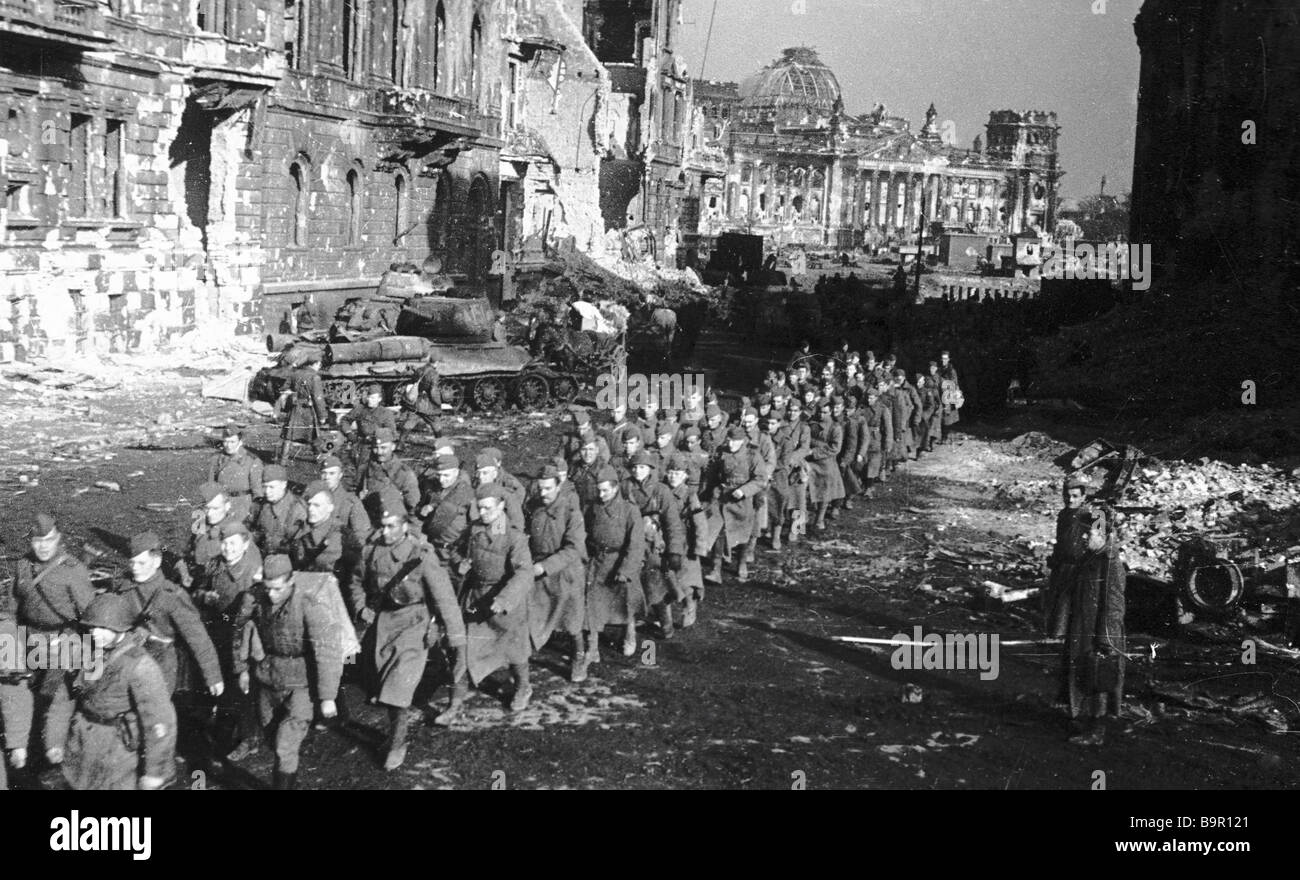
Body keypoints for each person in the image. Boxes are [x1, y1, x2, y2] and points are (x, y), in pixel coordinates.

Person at [350, 489, 464, 769]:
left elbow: (444, 597)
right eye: (382, 526)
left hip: (414, 623)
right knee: (383, 681)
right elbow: (355, 582)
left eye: (392, 526)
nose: (386, 532)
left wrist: (452, 633)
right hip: (384, 625)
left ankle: (398, 742)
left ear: (404, 526)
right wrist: (361, 605)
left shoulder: (421, 556)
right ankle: (395, 731)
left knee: (397, 687)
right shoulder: (371, 551)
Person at [231, 555, 341, 789]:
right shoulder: (257, 598)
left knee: (285, 745)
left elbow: (327, 651)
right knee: (273, 740)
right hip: (268, 679)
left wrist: (328, 696)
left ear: (291, 581)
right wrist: (242, 669)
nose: (271, 594)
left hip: (301, 684)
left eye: (277, 589)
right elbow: (240, 631)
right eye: (267, 588)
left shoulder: (309, 605)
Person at [7, 513, 97, 771]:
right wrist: (8, 649)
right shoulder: (23, 566)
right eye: (37, 541)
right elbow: (11, 609)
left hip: (64, 638)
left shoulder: (74, 571)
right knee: (19, 688)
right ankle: (24, 746)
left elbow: (90, 616)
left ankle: (55, 747)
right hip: (30, 637)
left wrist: (87, 657)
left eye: (49, 540)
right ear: (31, 541)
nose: (43, 546)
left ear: (59, 539)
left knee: (61, 693)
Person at [63, 593, 176, 791]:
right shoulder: (90, 652)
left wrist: (154, 772)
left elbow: (159, 721)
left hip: (118, 749)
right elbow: (67, 695)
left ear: (120, 627)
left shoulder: (141, 665)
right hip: (83, 745)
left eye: (103, 628)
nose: (95, 633)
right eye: (92, 627)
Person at [443, 484, 537, 719]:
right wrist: (459, 563)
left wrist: (505, 598)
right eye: (480, 508)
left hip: (504, 602)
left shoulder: (513, 536)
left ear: (501, 506)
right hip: (475, 598)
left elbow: (524, 572)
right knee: (463, 653)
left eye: (488, 508)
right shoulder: (474, 529)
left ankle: (523, 687)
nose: (483, 513)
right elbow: (454, 548)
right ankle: (454, 706)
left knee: (515, 651)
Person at [116, 531, 223, 698]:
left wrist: (213, 676)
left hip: (162, 660)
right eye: (132, 562)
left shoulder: (172, 595)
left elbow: (197, 637)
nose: (135, 568)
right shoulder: (125, 588)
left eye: (141, 563)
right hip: (130, 654)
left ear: (157, 561)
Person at [1057, 507, 1126, 745]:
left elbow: (1114, 605)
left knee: (1098, 679)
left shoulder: (1110, 565)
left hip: (1099, 634)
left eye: (1090, 533)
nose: (1085, 537)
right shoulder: (1089, 559)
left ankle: (1096, 730)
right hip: (1082, 630)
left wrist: (1105, 640)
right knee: (1082, 677)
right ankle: (1083, 719)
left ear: (1105, 535)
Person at [200, 520, 264, 761]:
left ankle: (250, 738)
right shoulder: (215, 566)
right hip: (218, 634)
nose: (228, 548)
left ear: (245, 544)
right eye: (224, 543)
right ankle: (227, 728)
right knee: (224, 683)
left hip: (244, 638)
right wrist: (204, 596)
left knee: (244, 688)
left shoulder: (253, 571)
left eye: (233, 543)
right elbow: (199, 590)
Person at [526, 465, 589, 681]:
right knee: (534, 611)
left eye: (548, 489)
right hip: (538, 567)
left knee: (572, 620)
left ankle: (579, 656)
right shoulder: (534, 506)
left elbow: (574, 548)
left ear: (559, 486)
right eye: (540, 488)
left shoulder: (571, 512)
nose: (543, 493)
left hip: (565, 570)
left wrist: (546, 567)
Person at [583, 465, 646, 662]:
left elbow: (636, 544)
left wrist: (626, 569)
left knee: (626, 602)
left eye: (605, 490)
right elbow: (584, 534)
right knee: (590, 605)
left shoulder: (629, 510)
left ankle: (629, 632)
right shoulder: (592, 508)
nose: (601, 495)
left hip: (619, 561)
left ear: (616, 488)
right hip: (597, 561)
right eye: (598, 490)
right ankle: (592, 646)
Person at [622, 449, 685, 639]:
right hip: (631, 542)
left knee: (655, 586)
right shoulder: (624, 487)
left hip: (653, 544)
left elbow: (672, 523)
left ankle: (665, 623)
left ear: (650, 469)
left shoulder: (661, 491)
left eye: (642, 467)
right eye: (634, 467)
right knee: (630, 585)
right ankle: (630, 627)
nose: (638, 471)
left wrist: (674, 551)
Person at [704, 425, 765, 583]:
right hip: (723, 497)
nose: (731, 444)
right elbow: (713, 474)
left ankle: (742, 563)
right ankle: (715, 569)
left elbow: (760, 479)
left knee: (743, 532)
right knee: (719, 530)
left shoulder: (753, 455)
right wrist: (712, 491)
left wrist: (744, 490)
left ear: (743, 441)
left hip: (742, 500)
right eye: (729, 440)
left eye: (735, 441)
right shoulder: (722, 453)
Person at [663, 454, 710, 628]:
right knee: (665, 578)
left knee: (686, 580)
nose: (674, 476)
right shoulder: (662, 490)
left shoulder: (690, 495)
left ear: (685, 476)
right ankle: (663, 613)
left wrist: (699, 547)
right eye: (671, 472)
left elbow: (700, 523)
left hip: (685, 543)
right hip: (665, 540)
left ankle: (690, 606)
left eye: (678, 473)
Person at [418, 453, 477, 573]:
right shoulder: (433, 488)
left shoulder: (467, 494)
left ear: (456, 472)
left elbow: (477, 526)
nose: (441, 479)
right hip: (431, 549)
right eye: (439, 475)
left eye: (446, 475)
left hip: (453, 555)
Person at [277, 348, 331, 465]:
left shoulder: (295, 373)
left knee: (289, 434)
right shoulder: (315, 377)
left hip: (295, 409)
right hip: (308, 410)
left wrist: (293, 394)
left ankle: (283, 459)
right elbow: (318, 398)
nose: (319, 367)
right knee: (314, 434)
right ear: (315, 364)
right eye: (319, 365)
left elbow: (284, 388)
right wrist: (322, 415)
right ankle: (320, 457)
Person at [358, 427, 421, 514]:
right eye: (376, 447)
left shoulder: (404, 473)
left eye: (383, 448)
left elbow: (413, 503)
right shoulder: (365, 468)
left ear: (393, 447)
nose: (379, 452)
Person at [209, 423, 264, 522]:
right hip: (221, 505)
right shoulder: (216, 459)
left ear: (240, 441)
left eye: (232, 442)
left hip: (242, 506)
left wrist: (254, 513)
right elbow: (211, 485)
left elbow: (257, 491)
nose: (229, 445)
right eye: (226, 442)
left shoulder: (251, 460)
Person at [287, 481, 344, 576]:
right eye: (309, 504)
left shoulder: (338, 533)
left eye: (317, 505)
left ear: (330, 508)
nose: (310, 509)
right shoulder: (301, 528)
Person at [806, 403, 845, 532]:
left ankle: (819, 520)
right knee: (799, 492)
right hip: (807, 461)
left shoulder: (835, 428)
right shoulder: (811, 424)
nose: (821, 415)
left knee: (825, 492)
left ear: (830, 412)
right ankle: (798, 525)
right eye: (820, 412)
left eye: (825, 412)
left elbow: (835, 448)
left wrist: (814, 452)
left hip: (825, 462)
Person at [251, 464, 306, 557]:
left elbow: (300, 549)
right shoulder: (261, 504)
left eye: (272, 487)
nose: (267, 491)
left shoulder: (297, 510)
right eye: (264, 487)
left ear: (284, 484)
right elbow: (252, 530)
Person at [340, 384, 397, 472]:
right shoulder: (360, 409)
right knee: (361, 473)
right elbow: (345, 420)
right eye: (369, 397)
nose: (370, 400)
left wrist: (377, 438)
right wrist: (349, 433)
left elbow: (392, 432)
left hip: (378, 447)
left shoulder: (386, 413)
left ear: (379, 399)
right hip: (362, 446)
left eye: (373, 398)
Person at [472, 448, 526, 532]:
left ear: (494, 473)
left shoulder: (506, 494)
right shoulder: (476, 487)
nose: (481, 477)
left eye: (485, 473)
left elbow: (517, 525)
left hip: (498, 531)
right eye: (478, 473)